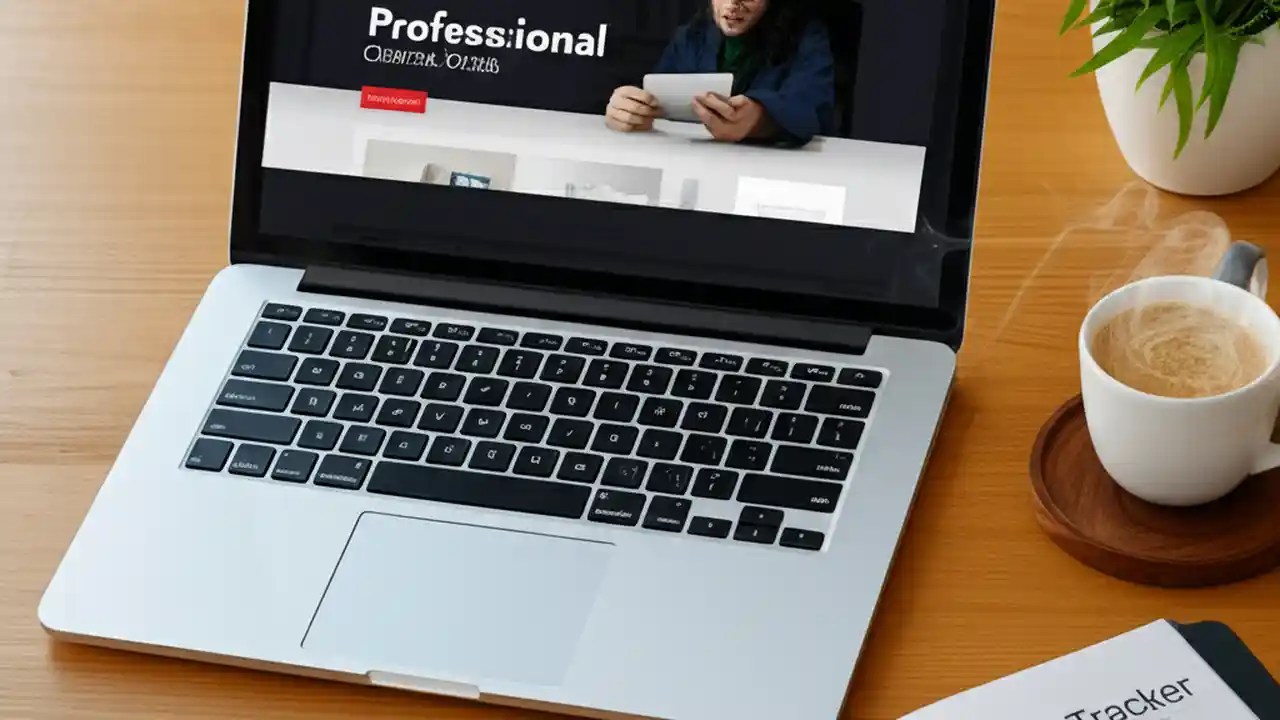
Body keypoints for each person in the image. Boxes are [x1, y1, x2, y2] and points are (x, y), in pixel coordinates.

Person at [605, 0, 836, 146]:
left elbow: (813, 108)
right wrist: (632, 111)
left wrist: (760, 120)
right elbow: (657, 105)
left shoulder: (806, 38)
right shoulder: (691, 37)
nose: (733, 3)